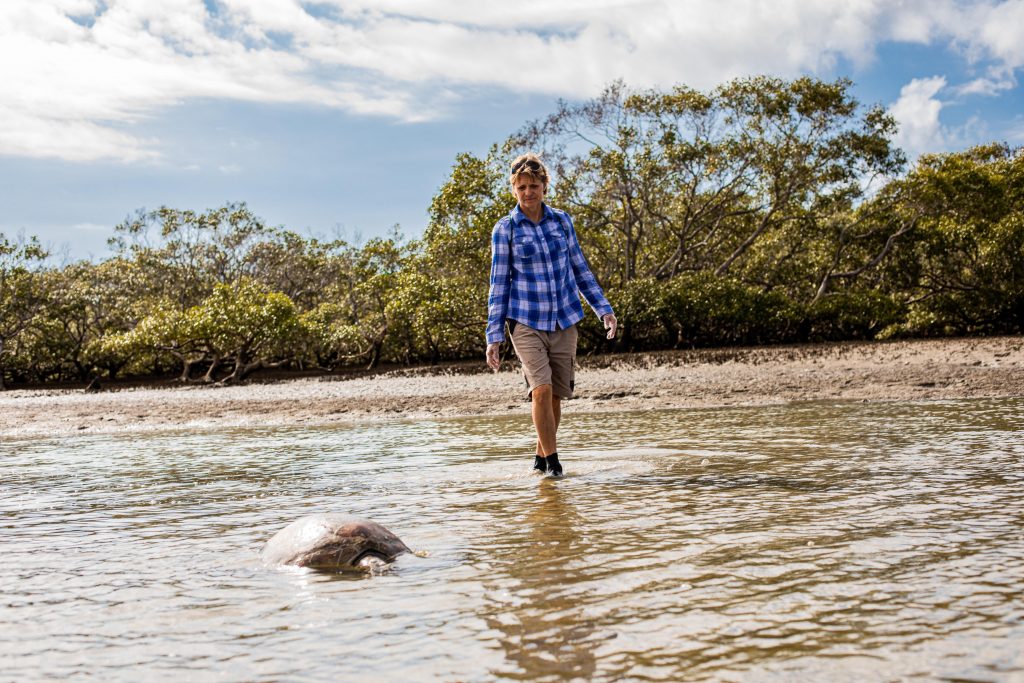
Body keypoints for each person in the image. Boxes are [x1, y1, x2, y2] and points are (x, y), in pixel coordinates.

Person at [485, 153, 617, 477]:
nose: (528, 192)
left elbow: (579, 267)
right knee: (540, 389)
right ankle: (554, 467)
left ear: (545, 186)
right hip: (525, 320)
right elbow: (498, 283)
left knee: (555, 395)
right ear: (513, 190)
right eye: (521, 187)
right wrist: (494, 336)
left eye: (534, 185)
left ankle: (540, 458)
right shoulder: (505, 230)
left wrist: (604, 309)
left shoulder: (562, 222)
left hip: (564, 318)